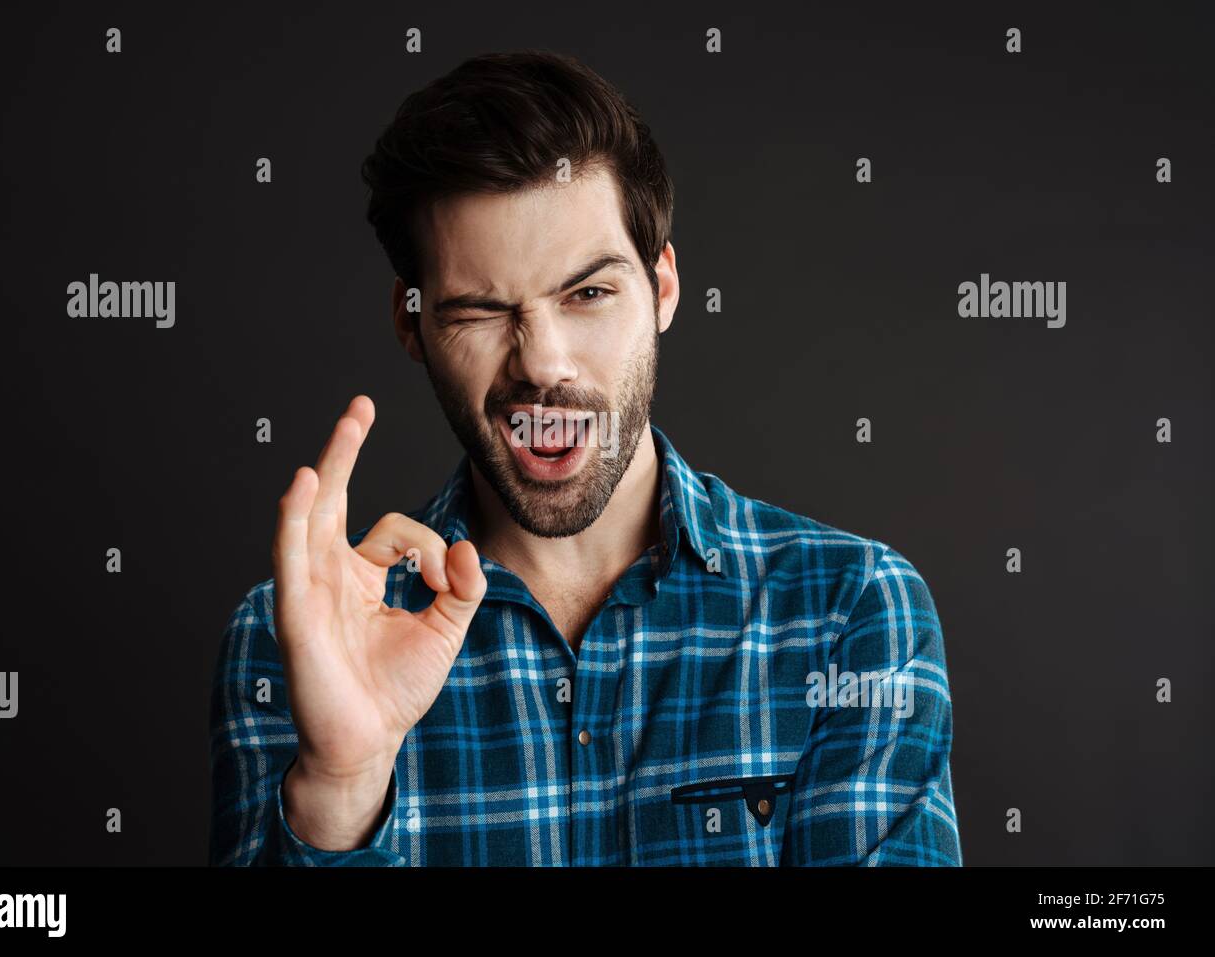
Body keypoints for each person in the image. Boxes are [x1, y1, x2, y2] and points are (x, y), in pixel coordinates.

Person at [208, 49, 961, 866]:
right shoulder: (296, 639)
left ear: (663, 286)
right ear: (411, 323)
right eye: (480, 311)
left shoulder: (848, 613)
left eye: (588, 293)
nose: (543, 363)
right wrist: (342, 787)